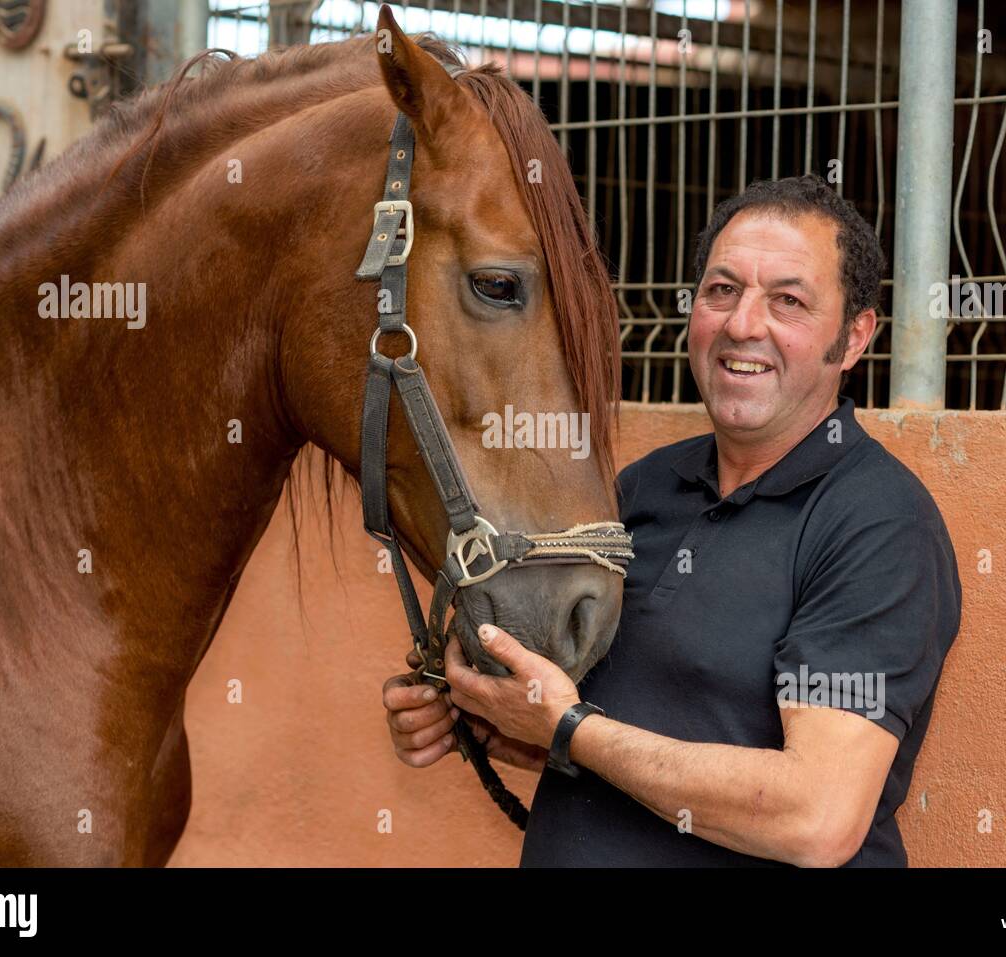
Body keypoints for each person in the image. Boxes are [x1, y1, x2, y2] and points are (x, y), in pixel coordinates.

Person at [382, 174, 962, 866]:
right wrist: (485, 720)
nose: (744, 323)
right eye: (722, 290)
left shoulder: (878, 524)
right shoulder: (645, 486)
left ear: (855, 336)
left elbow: (818, 815)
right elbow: (620, 731)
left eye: (789, 300)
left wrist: (567, 726)